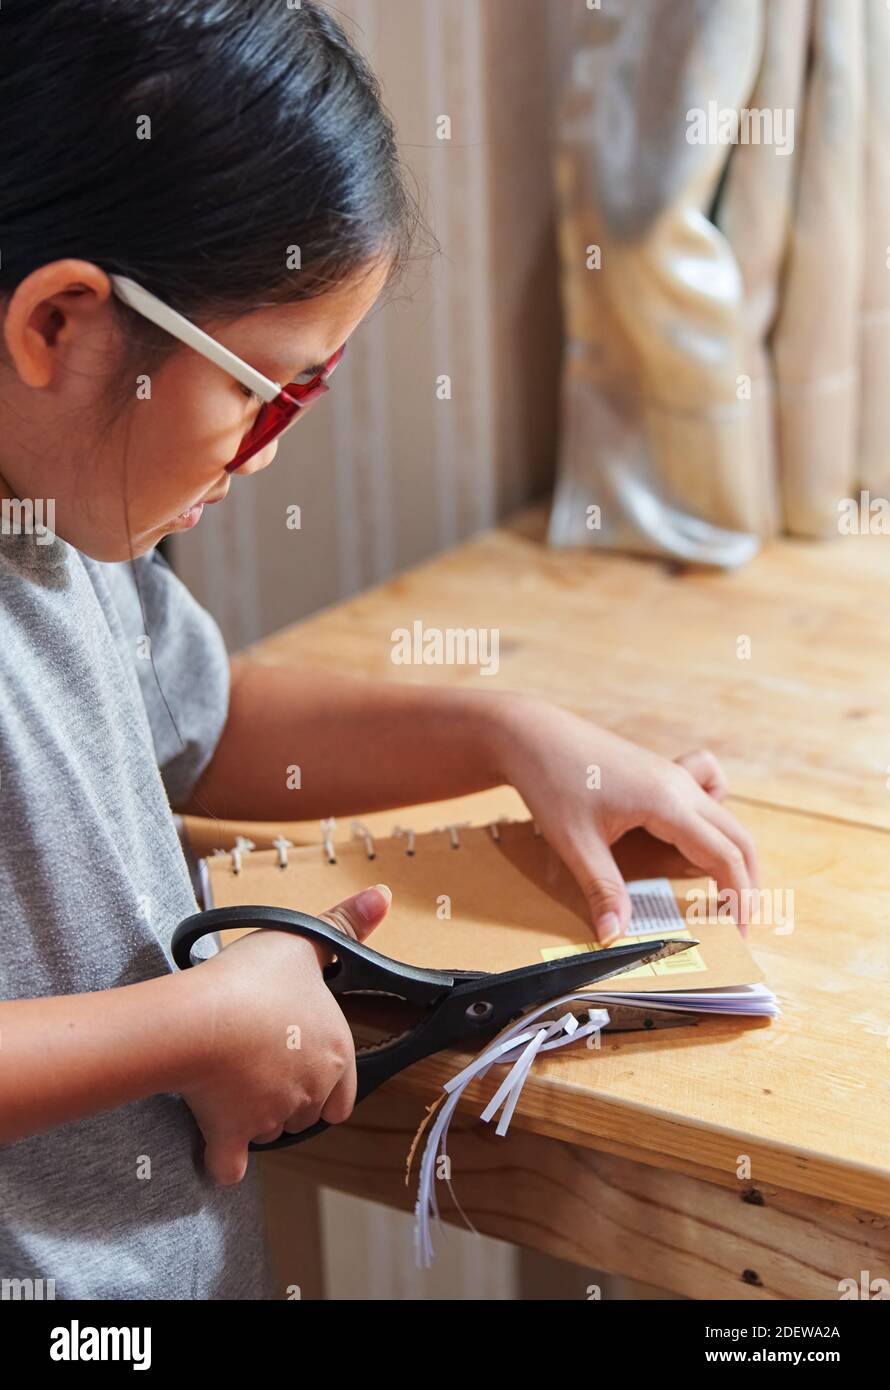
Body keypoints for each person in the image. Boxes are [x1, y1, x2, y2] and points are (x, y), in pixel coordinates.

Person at [0, 0, 758, 1299]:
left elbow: (206, 721)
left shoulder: (56, 523)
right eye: (262, 387)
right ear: (61, 325)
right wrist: (194, 1021)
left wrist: (502, 732)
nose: (272, 448)